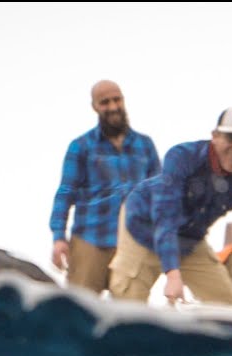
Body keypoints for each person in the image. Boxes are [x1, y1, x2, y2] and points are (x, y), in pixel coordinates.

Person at [108, 107, 232, 305]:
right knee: (128, 305)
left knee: (227, 303)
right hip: (144, 227)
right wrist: (172, 274)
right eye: (231, 138)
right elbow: (165, 216)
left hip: (189, 239)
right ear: (215, 136)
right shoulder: (182, 157)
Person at [49, 80, 161, 294]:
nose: (112, 107)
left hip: (133, 243)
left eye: (116, 100)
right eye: (104, 102)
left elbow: (159, 194)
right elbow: (65, 193)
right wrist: (58, 238)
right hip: (90, 240)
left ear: (123, 101)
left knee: (130, 316)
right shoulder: (81, 146)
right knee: (80, 313)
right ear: (95, 107)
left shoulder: (144, 145)